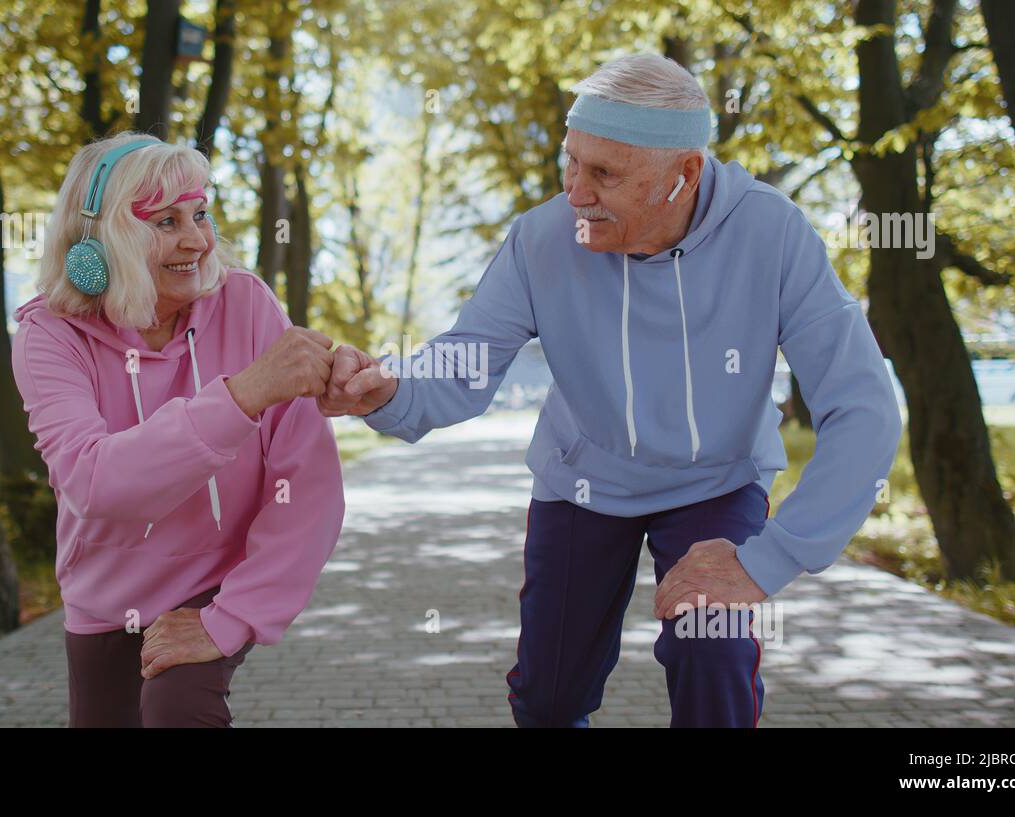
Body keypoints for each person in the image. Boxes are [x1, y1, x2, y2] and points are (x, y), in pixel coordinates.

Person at [320, 53, 903, 727]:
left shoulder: (772, 233)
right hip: (584, 483)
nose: (574, 191)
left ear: (681, 176)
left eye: (603, 173)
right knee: (550, 698)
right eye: (570, 161)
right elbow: (464, 363)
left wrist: (772, 556)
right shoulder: (543, 240)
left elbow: (862, 407)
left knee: (710, 654)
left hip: (715, 483)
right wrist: (390, 390)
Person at [11, 131, 345, 727]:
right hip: (106, 600)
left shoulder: (246, 304)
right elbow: (93, 484)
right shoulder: (50, 337)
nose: (197, 239)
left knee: (177, 711)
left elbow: (307, 483)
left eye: (200, 214)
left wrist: (230, 618)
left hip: (215, 584)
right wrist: (243, 395)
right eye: (165, 222)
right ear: (103, 239)